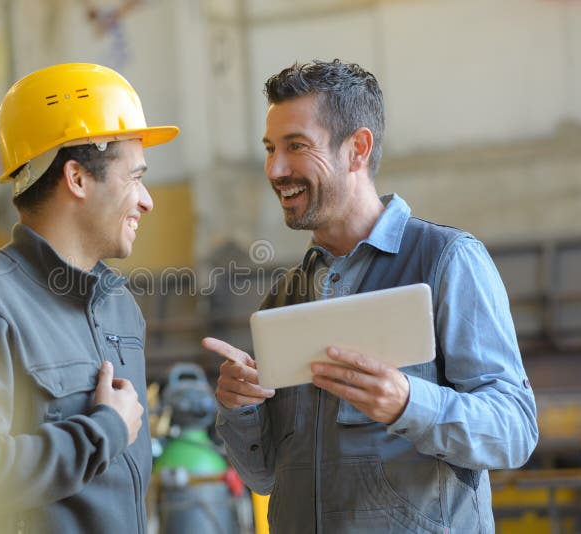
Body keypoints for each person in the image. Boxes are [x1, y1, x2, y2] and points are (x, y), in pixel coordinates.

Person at [203, 59, 538, 533]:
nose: (275, 169)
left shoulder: (446, 262)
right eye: (270, 148)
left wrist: (407, 403)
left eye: (296, 146)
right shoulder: (283, 300)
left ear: (357, 149)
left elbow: (515, 431)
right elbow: (263, 477)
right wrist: (241, 409)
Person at [0, 63, 178, 533]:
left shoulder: (119, 305)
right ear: (76, 178)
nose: (147, 200)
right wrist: (102, 433)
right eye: (134, 178)